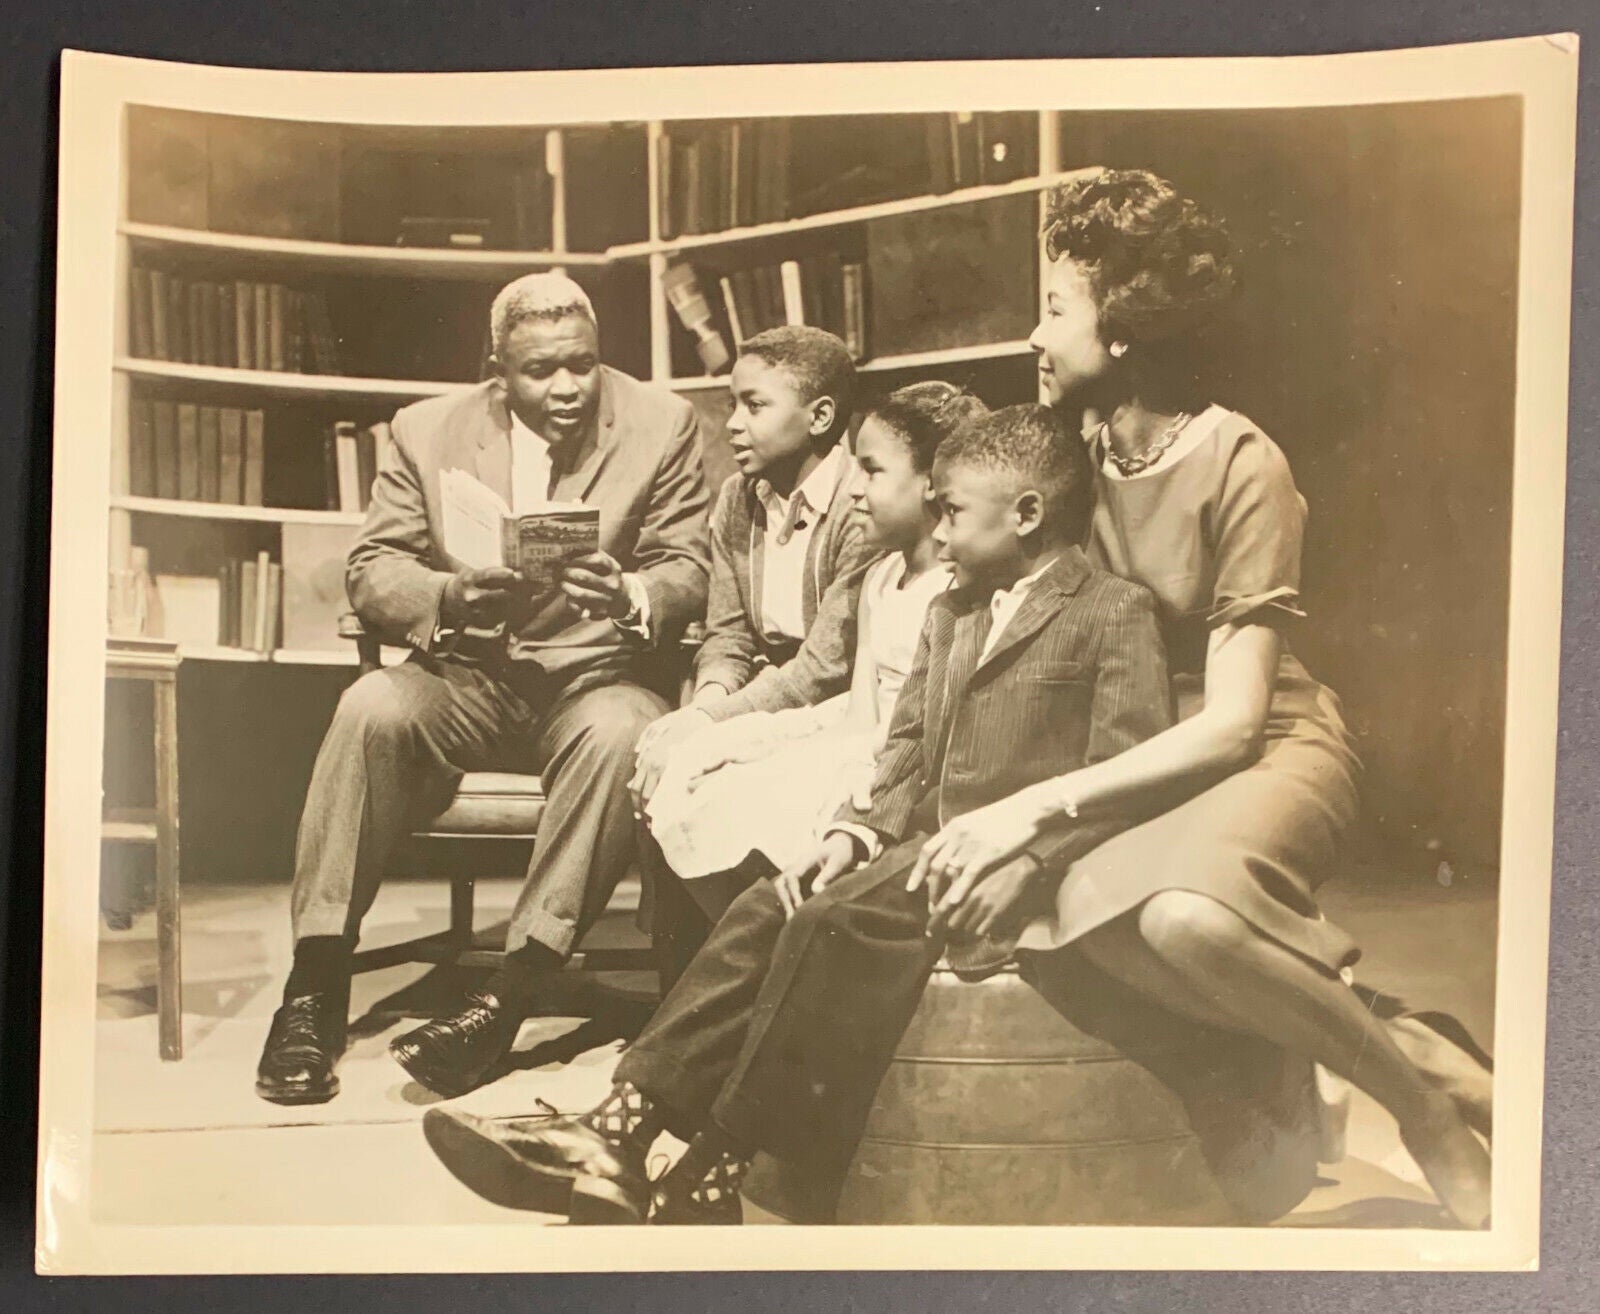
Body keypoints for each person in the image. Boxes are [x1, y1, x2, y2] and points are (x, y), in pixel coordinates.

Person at [896, 168, 1491, 1226]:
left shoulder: (1240, 461)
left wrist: (1033, 810)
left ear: (1122, 333)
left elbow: (1229, 721)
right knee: (1074, 921)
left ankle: (1423, 1106)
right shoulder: (1064, 455)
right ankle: (1396, 1049)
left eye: (1053, 310)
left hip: (1261, 742)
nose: (1033, 336)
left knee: (1177, 919)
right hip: (1130, 748)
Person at [421, 404, 1174, 1225]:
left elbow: (1129, 777)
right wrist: (856, 831)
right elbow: (907, 746)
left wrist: (1034, 857)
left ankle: (715, 1158)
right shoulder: (952, 610)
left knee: (830, 923)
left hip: (1005, 863)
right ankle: (623, 1126)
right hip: (915, 850)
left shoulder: (1112, 612)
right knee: (765, 905)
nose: (942, 532)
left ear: (1026, 513)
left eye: (954, 511)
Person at [254, 273, 711, 1106]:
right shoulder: (426, 430)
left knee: (621, 737)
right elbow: (372, 568)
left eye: (583, 365)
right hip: (466, 675)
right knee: (369, 708)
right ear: (495, 371)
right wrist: (444, 598)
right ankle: (314, 986)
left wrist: (634, 593)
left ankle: (511, 995)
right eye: (540, 372)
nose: (567, 389)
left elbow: (689, 565)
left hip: (595, 679)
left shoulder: (663, 422)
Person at [643, 381, 986, 921]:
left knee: (770, 797)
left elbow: (913, 730)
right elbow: (856, 713)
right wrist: (739, 739)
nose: (855, 489)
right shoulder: (881, 577)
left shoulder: (956, 595)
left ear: (930, 485)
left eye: (871, 472)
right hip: (857, 737)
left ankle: (776, 942)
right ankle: (750, 942)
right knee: (704, 768)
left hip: (907, 763)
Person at [627, 326, 881, 812]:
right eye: (732, 405)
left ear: (820, 416)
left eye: (755, 406)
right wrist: (703, 707)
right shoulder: (738, 499)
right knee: (663, 759)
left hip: (833, 708)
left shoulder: (860, 505)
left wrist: (710, 723)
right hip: (758, 698)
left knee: (698, 770)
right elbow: (728, 636)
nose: (732, 425)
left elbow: (824, 669)